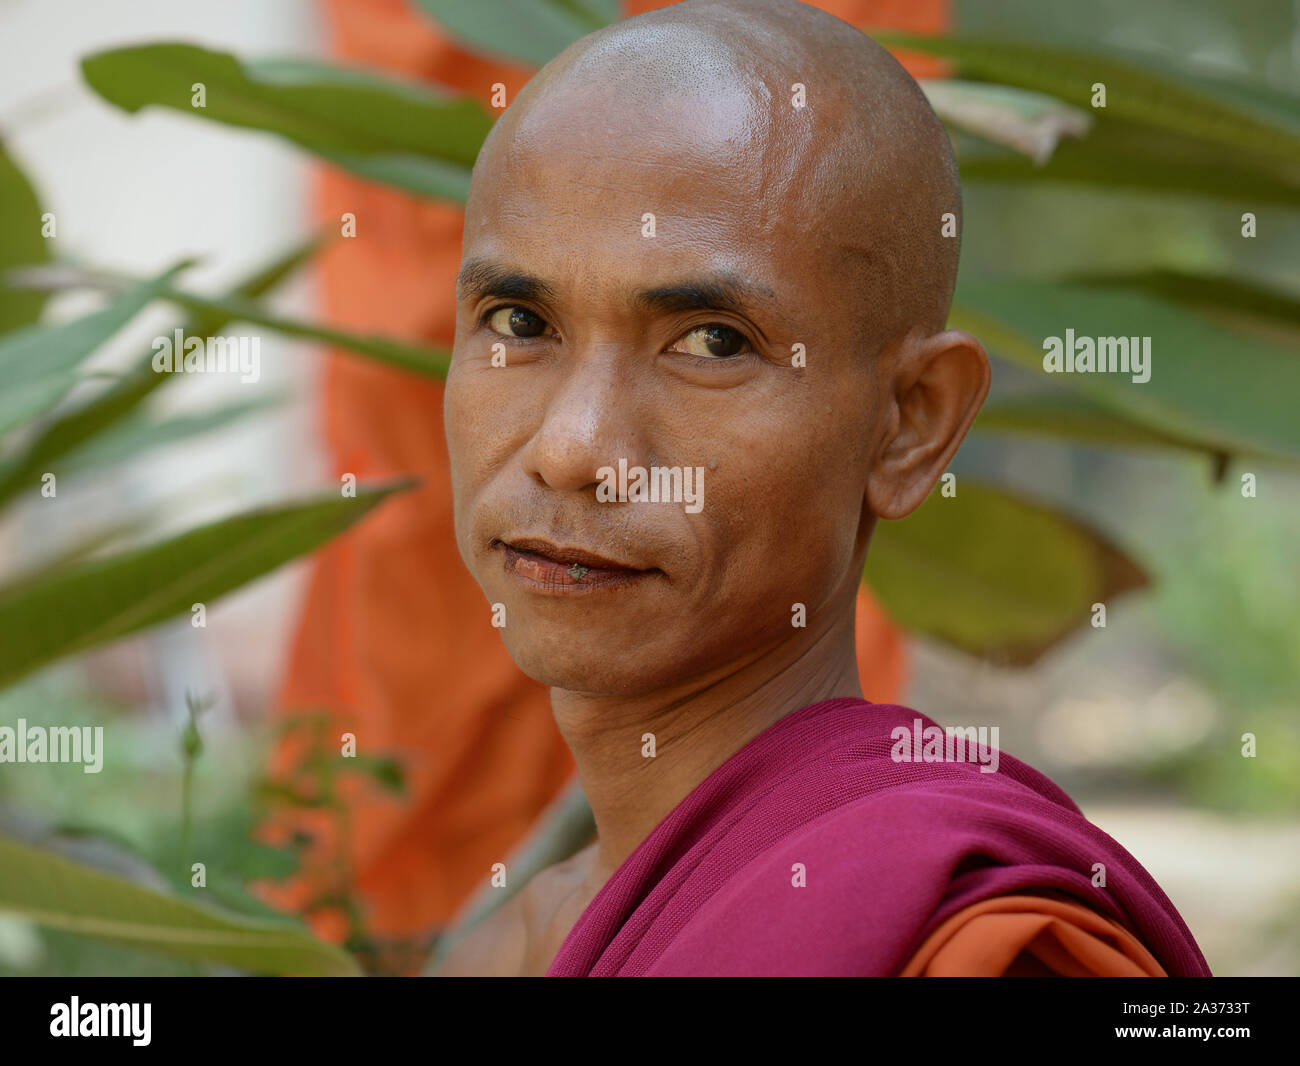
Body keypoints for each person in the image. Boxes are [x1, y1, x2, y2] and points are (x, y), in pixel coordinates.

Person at [437, 0, 1210, 976]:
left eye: (711, 342)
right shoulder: (495, 954)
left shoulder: (968, 939)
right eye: (517, 322)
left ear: (910, 424)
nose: (572, 446)